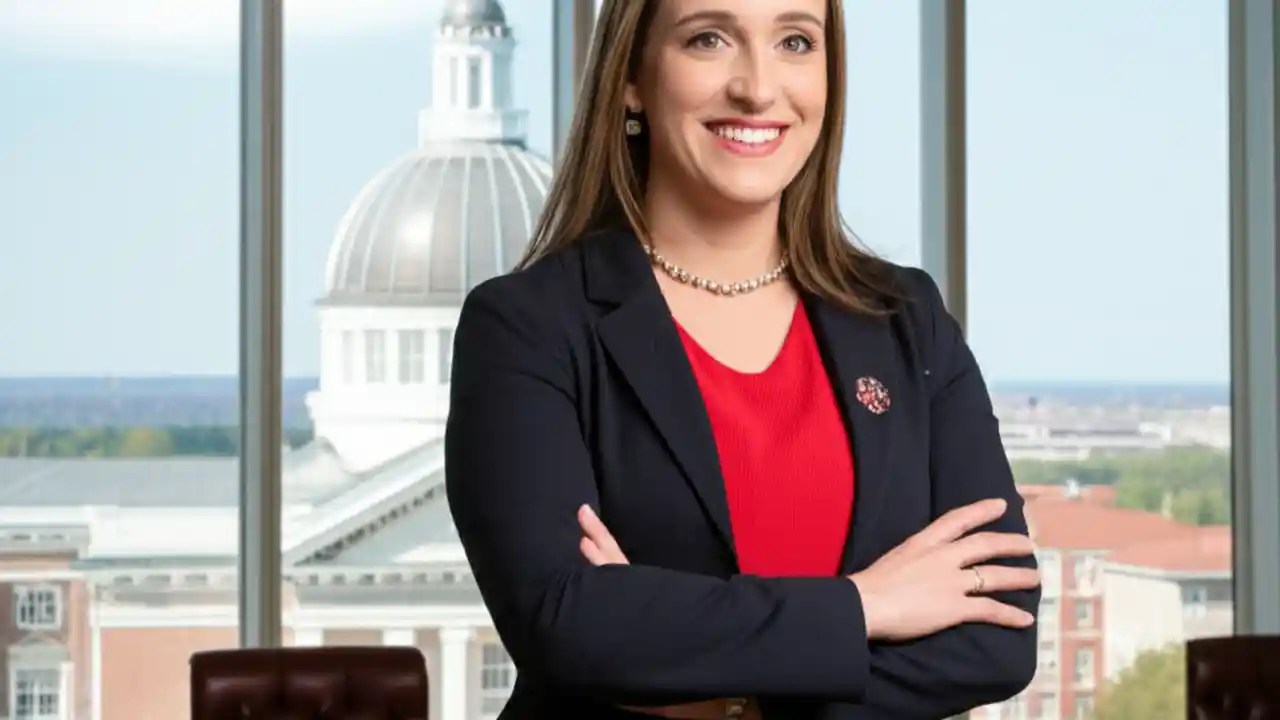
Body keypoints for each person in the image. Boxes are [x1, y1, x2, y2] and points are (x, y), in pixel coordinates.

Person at [444, 0, 1042, 717]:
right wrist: (867, 606)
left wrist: (709, 684)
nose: (758, 87)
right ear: (632, 78)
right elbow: (567, 622)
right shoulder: (527, 327)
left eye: (795, 41)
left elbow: (999, 635)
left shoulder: (904, 320)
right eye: (708, 39)